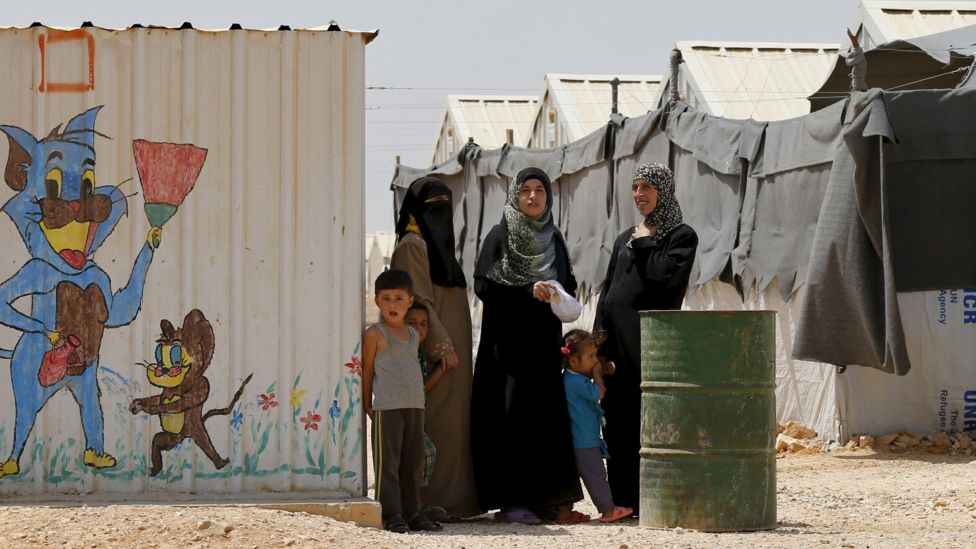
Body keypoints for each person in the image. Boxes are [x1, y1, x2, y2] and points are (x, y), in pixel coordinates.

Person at [471, 167, 585, 525]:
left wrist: (559, 293)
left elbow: (569, 280)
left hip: (543, 346)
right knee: (512, 420)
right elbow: (484, 286)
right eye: (525, 191)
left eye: (539, 190)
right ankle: (511, 502)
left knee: (544, 421)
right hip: (508, 349)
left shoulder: (554, 238)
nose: (533, 197)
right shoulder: (499, 236)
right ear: (515, 197)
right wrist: (525, 291)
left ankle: (548, 500)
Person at [594, 162, 698, 513]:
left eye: (647, 187)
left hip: (651, 349)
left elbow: (663, 279)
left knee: (648, 424)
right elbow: (608, 293)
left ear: (663, 191)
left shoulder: (681, 237)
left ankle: (652, 500)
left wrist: (647, 243)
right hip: (617, 349)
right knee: (618, 424)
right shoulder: (626, 237)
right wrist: (598, 346)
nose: (639, 194)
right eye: (635, 187)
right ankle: (622, 501)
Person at [390, 176, 480, 519]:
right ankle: (426, 502)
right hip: (436, 354)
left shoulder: (437, 246)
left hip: (454, 353)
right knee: (435, 425)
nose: (440, 211)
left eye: (446, 203)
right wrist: (442, 348)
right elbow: (420, 302)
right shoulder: (413, 246)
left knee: (454, 426)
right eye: (433, 205)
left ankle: (455, 502)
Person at [362, 269, 442, 533]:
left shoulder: (412, 335)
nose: (392, 305)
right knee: (389, 464)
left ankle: (412, 512)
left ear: (410, 301)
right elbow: (368, 370)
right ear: (376, 301)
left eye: (399, 298)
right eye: (386, 298)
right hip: (387, 407)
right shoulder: (376, 334)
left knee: (413, 463)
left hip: (414, 406)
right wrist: (367, 404)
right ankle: (391, 513)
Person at [561, 329, 634, 524]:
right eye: (591, 356)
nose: (595, 361)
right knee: (596, 475)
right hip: (584, 440)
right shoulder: (576, 381)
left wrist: (599, 369)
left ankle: (562, 511)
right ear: (574, 361)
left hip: (577, 438)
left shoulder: (570, 378)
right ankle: (608, 510)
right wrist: (597, 375)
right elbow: (598, 393)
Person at [405, 303, 450, 523]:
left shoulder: (420, 353)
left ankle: (416, 503)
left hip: (415, 410)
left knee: (420, 456)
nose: (418, 329)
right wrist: (441, 370)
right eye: (411, 323)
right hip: (400, 411)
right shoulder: (401, 349)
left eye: (423, 324)